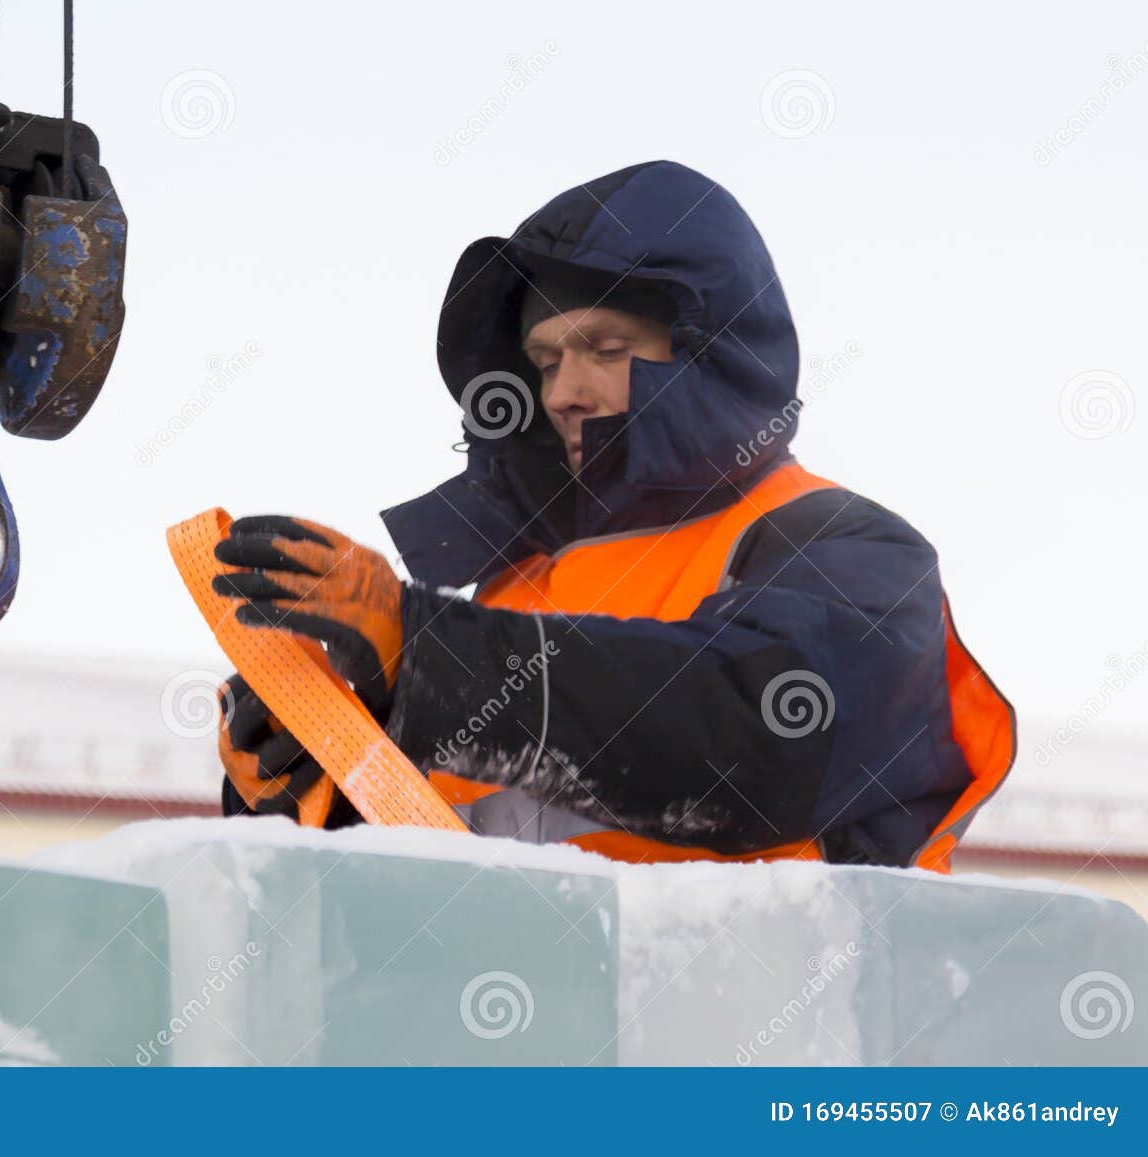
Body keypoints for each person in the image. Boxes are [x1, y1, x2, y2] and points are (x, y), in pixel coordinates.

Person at [212, 160, 1014, 870]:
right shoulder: (508, 598)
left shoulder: (850, 550)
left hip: (784, 1035)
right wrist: (312, 773)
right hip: (504, 1034)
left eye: (606, 347)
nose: (562, 390)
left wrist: (425, 657)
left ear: (710, 349)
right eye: (546, 360)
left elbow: (750, 742)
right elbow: (433, 857)